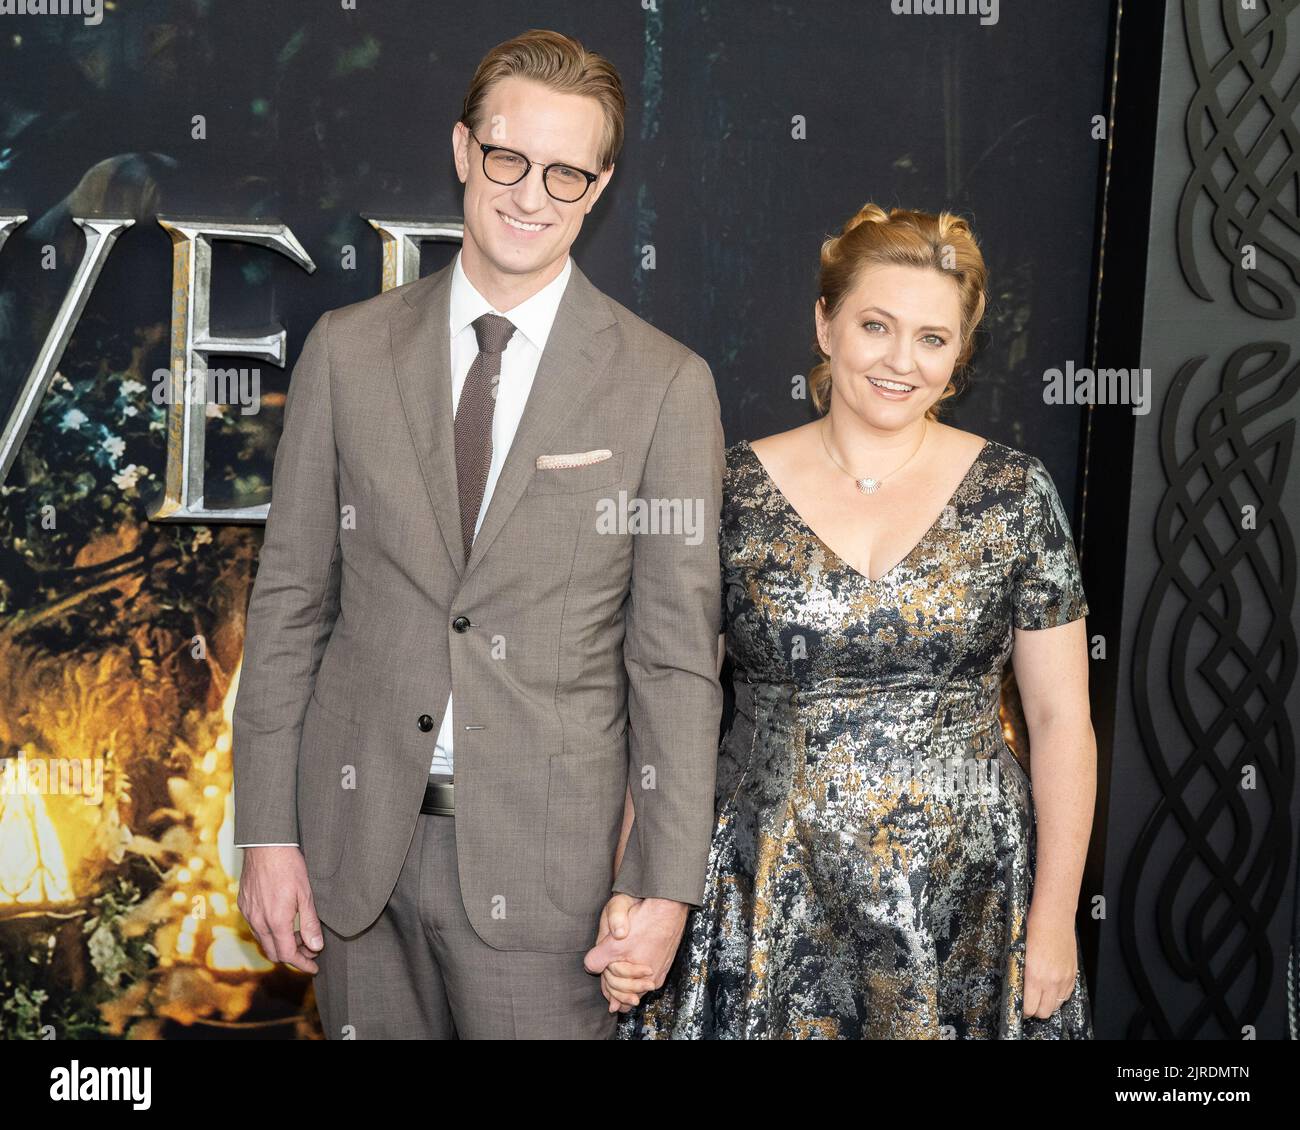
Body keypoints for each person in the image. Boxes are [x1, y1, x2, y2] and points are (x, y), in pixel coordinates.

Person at [231, 29, 724, 1039]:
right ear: (463, 150)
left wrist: (665, 882)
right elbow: (288, 603)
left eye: (564, 170)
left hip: (553, 885)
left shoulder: (664, 385)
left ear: (598, 186)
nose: (530, 193)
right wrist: (267, 830)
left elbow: (674, 660)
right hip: (355, 861)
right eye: (507, 157)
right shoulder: (347, 351)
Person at [608, 204, 1097, 1039]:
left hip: (969, 903)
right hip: (766, 892)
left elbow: (1060, 724)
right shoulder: (732, 492)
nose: (901, 361)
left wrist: (1052, 924)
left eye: (933, 340)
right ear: (825, 324)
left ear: (958, 358)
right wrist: (634, 881)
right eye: (876, 325)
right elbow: (671, 706)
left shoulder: (1015, 496)